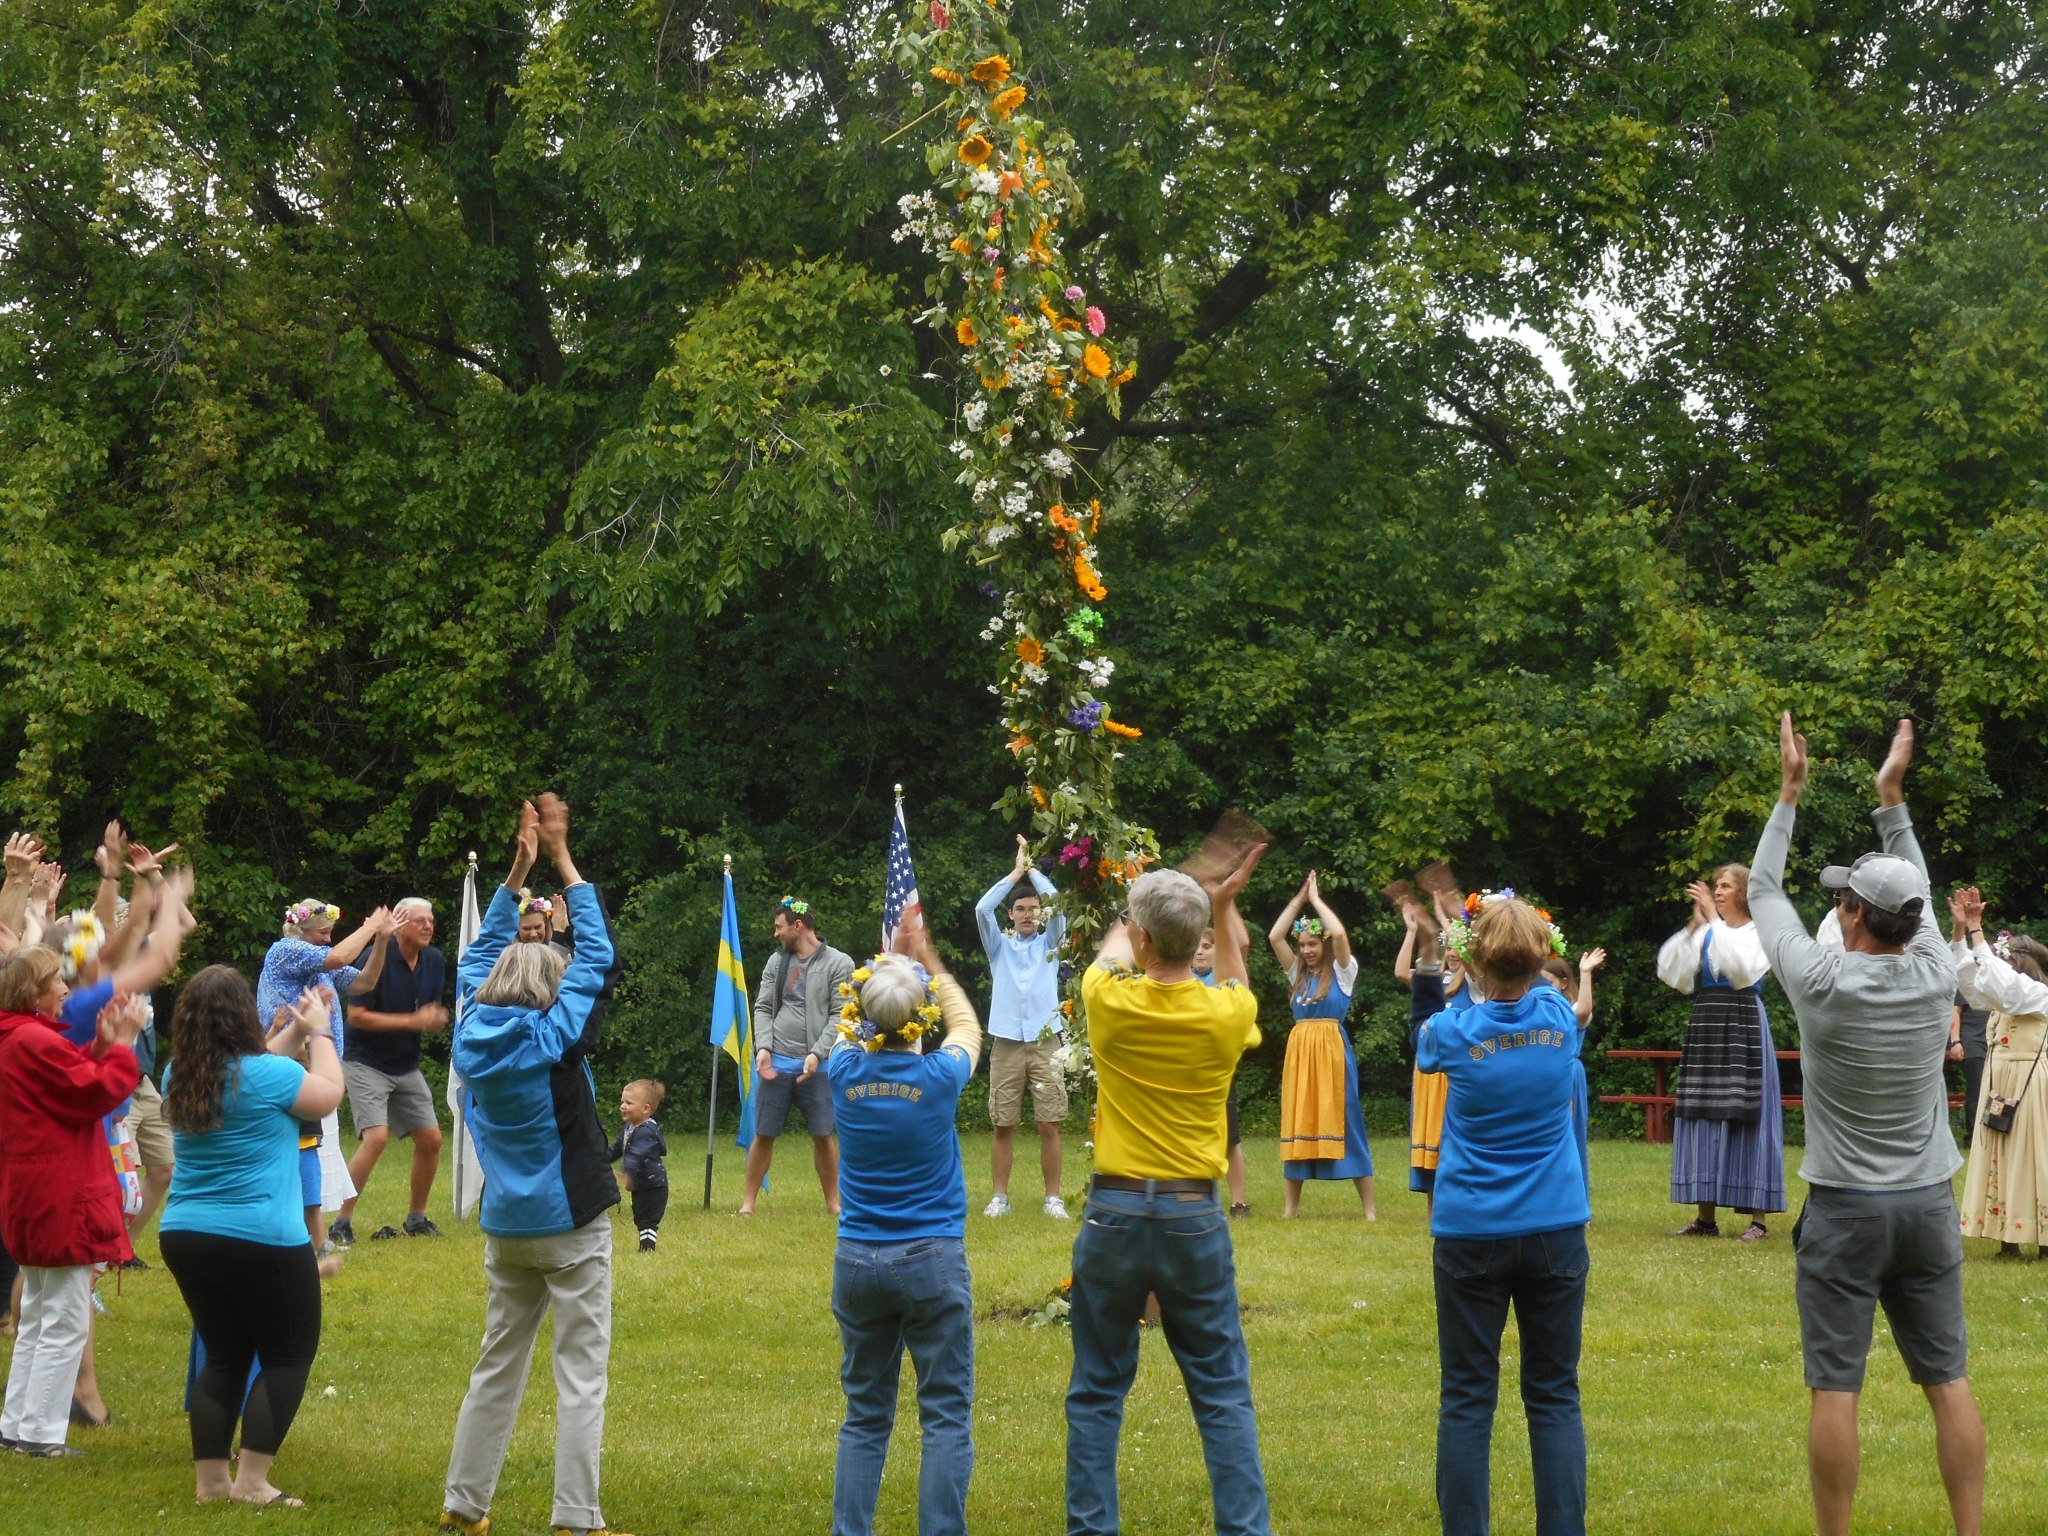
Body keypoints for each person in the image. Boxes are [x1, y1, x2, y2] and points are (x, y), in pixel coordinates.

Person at [1752, 714, 1981, 1536]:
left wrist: (1789, 792)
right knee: (1947, 1380)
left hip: (1846, 1209)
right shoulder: (1933, 971)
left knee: (1836, 1387)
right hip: (1926, 1204)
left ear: (1850, 913)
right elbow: (1912, 891)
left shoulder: (1819, 980)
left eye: (1843, 896)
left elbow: (1762, 891)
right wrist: (1892, 801)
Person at [1066, 847, 1272, 1536]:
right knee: (1220, 1392)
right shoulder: (1223, 1017)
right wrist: (1220, 903)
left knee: (1097, 1390)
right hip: (1193, 1214)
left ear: (1144, 938)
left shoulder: (1108, 1000)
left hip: (1115, 1211)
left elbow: (1111, 946)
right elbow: (1239, 983)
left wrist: (1143, 901)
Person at [441, 794, 626, 1536]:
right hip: (570, 1225)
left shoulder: (470, 1028)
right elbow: (600, 957)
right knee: (580, 1374)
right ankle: (576, 1517)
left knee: (496, 1368)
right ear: (550, 984)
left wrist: (517, 872)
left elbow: (477, 958)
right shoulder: (553, 1035)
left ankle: (464, 1503)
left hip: (507, 1225)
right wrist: (560, 860)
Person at [1414, 894, 1591, 1536]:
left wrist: (1445, 955)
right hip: (1555, 1229)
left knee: (1466, 1398)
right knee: (1553, 1396)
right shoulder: (1559, 1018)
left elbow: (1424, 1033)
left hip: (1470, 1231)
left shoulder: (1455, 1034)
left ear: (1478, 960)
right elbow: (1530, 981)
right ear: (1543, 957)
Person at [158, 970, 343, 1506]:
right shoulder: (269, 1075)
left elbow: (258, 1066)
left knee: (224, 1356)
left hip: (186, 1234)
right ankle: (253, 1481)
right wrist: (322, 1034)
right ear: (243, 1015)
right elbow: (327, 1094)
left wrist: (296, 1031)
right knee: (286, 1356)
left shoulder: (178, 1074)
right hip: (261, 1237)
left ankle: (211, 1485)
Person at [825, 910, 984, 1536]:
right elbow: (968, 1025)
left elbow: (845, 1028)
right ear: (923, 1017)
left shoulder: (842, 1072)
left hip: (857, 1259)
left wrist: (878, 974)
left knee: (864, 1416)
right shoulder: (941, 1077)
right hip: (932, 1259)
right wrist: (929, 961)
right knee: (945, 1414)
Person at [0, 952, 147, 1457]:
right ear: (31, 991)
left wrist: (102, 1042)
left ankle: (18, 1425)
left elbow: (67, 1077)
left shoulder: (15, 1037)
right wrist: (124, 1047)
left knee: (40, 1316)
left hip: (30, 1192)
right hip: (59, 1192)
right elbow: (92, 1092)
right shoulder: (33, 1040)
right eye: (55, 981)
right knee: (64, 1320)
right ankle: (40, 1436)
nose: (65, 988)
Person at [255, 899, 393, 1257]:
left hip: (313, 1069)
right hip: (288, 1064)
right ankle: (310, 1242)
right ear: (300, 931)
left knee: (311, 1150)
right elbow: (340, 958)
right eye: (323, 933)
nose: (328, 940)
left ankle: (310, 1237)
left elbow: (365, 982)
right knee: (301, 1150)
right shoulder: (287, 950)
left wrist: (380, 942)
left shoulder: (321, 962)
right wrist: (371, 926)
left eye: (331, 934)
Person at [1656, 865, 1787, 1241]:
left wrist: (1713, 922)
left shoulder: (1758, 931)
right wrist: (1695, 928)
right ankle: (1705, 1219)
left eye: (1726, 886)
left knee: (1749, 1112)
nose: (1717, 891)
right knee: (1703, 1111)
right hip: (1707, 1019)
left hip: (1743, 1017)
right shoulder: (1709, 931)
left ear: (1744, 893)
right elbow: (1674, 975)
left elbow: (1744, 971)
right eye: (1716, 886)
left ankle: (1758, 1220)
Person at [331, 895, 449, 1245]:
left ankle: (416, 1219)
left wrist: (428, 1020)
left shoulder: (434, 960)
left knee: (431, 1139)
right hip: (365, 1060)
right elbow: (357, 1017)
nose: (428, 926)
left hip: (404, 1062)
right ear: (399, 924)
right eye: (419, 921)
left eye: (430, 920)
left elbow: (426, 1009)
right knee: (376, 1138)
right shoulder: (374, 958)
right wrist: (414, 1020)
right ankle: (341, 1222)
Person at [974, 836, 1070, 1219]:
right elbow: (982, 909)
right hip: (1007, 1043)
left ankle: (1053, 1199)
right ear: (1011, 914)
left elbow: (1060, 902)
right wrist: (1015, 873)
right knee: (1003, 1123)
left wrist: (1034, 872)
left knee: (1049, 1122)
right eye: (1021, 909)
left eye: (1034, 909)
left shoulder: (1051, 942)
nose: (1029, 914)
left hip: (1047, 1042)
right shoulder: (999, 946)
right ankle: (1000, 1197)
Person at [1269, 870, 1373, 1219]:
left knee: (1347, 1117)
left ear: (1324, 945)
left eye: (1313, 944)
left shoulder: (1344, 970)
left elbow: (1340, 932)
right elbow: (1274, 936)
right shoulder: (1296, 973)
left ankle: (1369, 1208)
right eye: (1303, 945)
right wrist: (1299, 900)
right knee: (1298, 1117)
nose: (1306, 950)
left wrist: (1316, 902)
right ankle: (1291, 1208)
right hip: (1300, 1051)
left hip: (1330, 1050)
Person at [739, 896, 853, 1216]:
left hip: (819, 1065)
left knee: (823, 1134)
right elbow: (762, 1008)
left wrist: (817, 1054)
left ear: (798, 926)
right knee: (763, 1133)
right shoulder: (777, 962)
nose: (776, 934)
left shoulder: (839, 963)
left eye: (780, 927)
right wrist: (763, 1047)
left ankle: (833, 1204)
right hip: (777, 1060)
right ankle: (748, 1204)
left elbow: (840, 1015)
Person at [1949, 893, 2048, 1258]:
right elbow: (1973, 985)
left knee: (2035, 1155)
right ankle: (2008, 1238)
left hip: (2032, 1084)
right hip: (2000, 1081)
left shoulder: (2038, 994)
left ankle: (2045, 1238)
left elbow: (2003, 986)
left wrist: (1977, 930)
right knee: (2002, 1156)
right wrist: (1961, 933)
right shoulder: (2003, 995)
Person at [1194, 927, 1250, 1217]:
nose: (1200, 951)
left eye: (1206, 946)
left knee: (1229, 1137)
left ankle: (1238, 1201)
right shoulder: (1182, 980)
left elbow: (1242, 944)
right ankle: (1196, 1196)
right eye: (1195, 946)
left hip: (1218, 1070)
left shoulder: (1224, 980)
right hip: (1188, 1070)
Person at [608, 1080, 670, 1253]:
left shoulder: (646, 1131)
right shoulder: (629, 1128)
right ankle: (646, 1244)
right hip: (641, 1184)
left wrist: (626, 1172)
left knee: (648, 1218)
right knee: (640, 1215)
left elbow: (637, 1154)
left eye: (628, 1103)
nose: (622, 1106)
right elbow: (616, 1149)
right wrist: (599, 1159)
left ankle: (648, 1248)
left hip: (654, 1186)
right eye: (622, 1102)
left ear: (645, 1108)